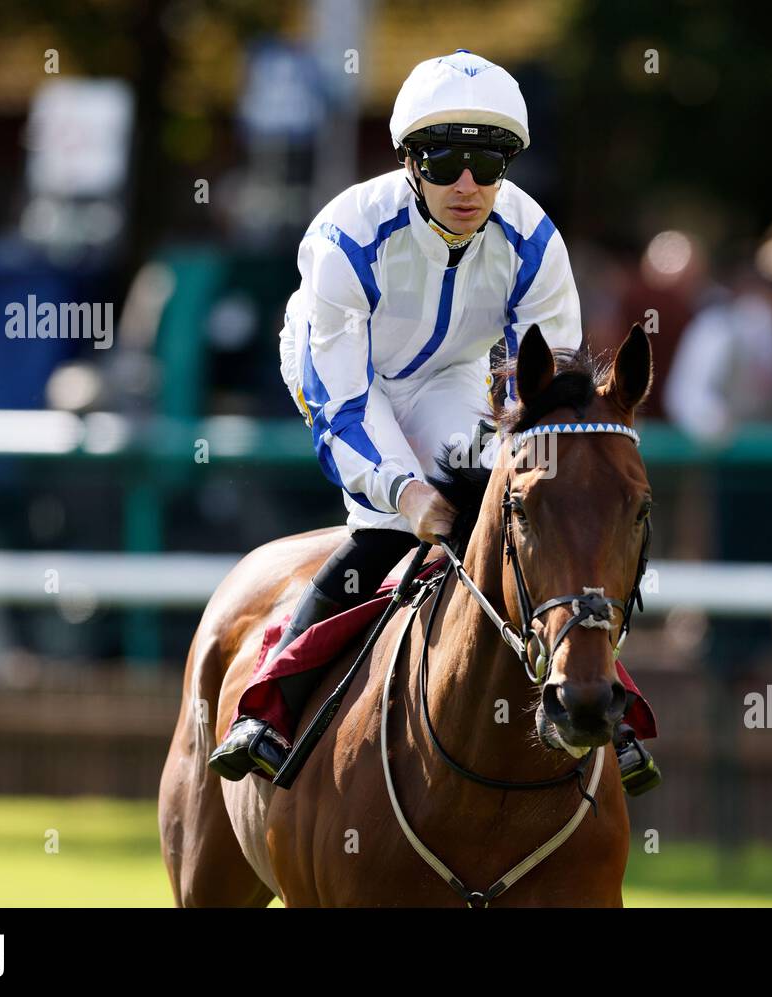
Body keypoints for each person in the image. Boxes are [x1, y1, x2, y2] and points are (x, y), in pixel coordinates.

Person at [209, 51, 658, 792]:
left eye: (489, 162)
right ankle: (270, 705)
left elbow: (542, 399)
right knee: (390, 524)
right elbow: (346, 402)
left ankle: (603, 695)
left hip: (457, 377)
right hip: (347, 379)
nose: (466, 184)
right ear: (408, 161)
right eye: (443, 158)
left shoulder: (535, 240)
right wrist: (406, 492)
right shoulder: (344, 236)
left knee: (511, 519)